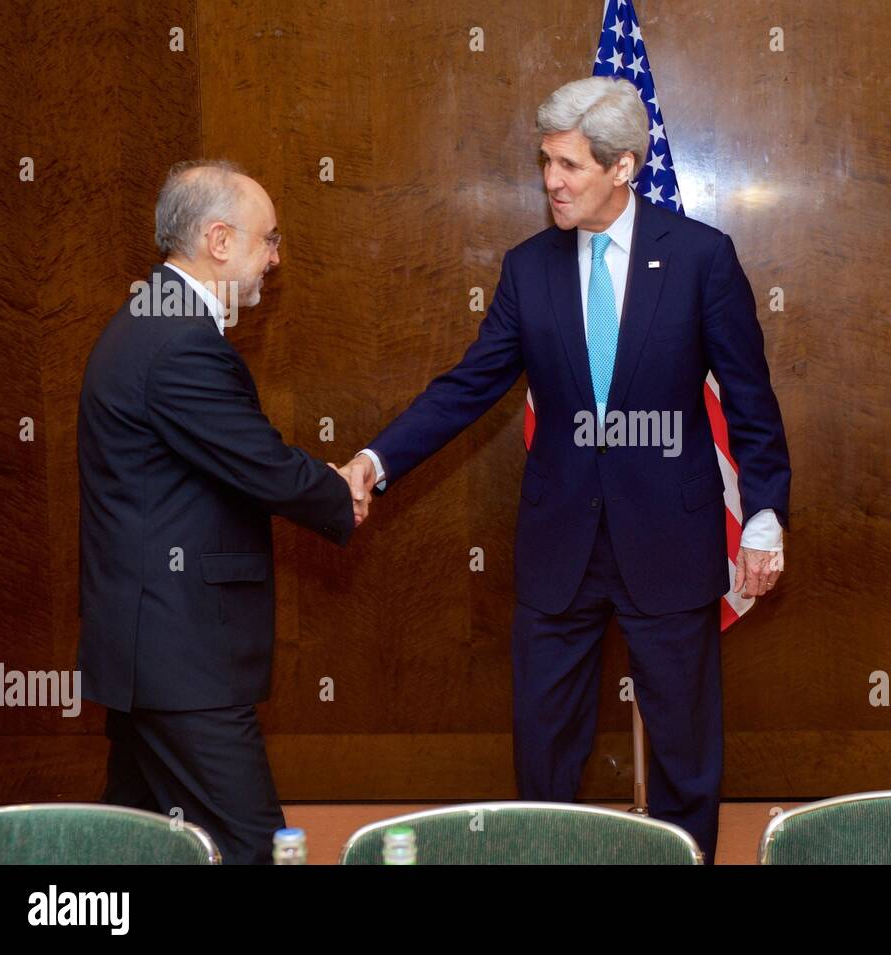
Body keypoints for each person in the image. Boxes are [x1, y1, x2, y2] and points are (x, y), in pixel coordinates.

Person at [337, 77, 791, 863]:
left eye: (571, 165)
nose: (552, 180)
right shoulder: (529, 267)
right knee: (544, 754)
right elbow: (469, 386)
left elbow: (752, 404)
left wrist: (762, 516)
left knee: (686, 756)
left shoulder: (700, 259)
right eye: (546, 161)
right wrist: (377, 459)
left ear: (623, 169)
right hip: (558, 547)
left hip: (671, 539)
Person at [76, 159, 365, 864]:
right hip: (182, 659)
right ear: (219, 240)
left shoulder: (154, 318)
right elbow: (260, 463)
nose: (276, 257)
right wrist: (337, 490)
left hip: (152, 650)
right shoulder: (178, 341)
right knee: (255, 848)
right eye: (267, 240)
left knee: (136, 850)